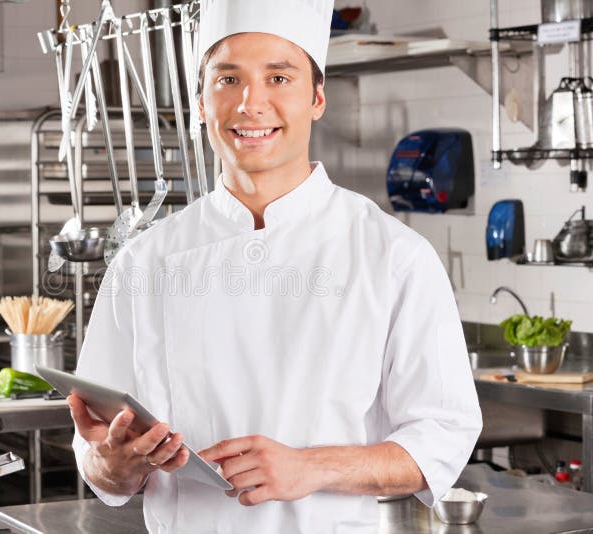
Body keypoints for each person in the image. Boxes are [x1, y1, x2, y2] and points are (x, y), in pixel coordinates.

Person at [69, 0, 483, 532]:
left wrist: (310, 467)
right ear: (201, 102)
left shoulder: (393, 256)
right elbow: (100, 459)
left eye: (279, 77)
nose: (251, 104)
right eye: (228, 79)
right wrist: (114, 465)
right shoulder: (144, 264)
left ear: (316, 99)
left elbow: (442, 436)